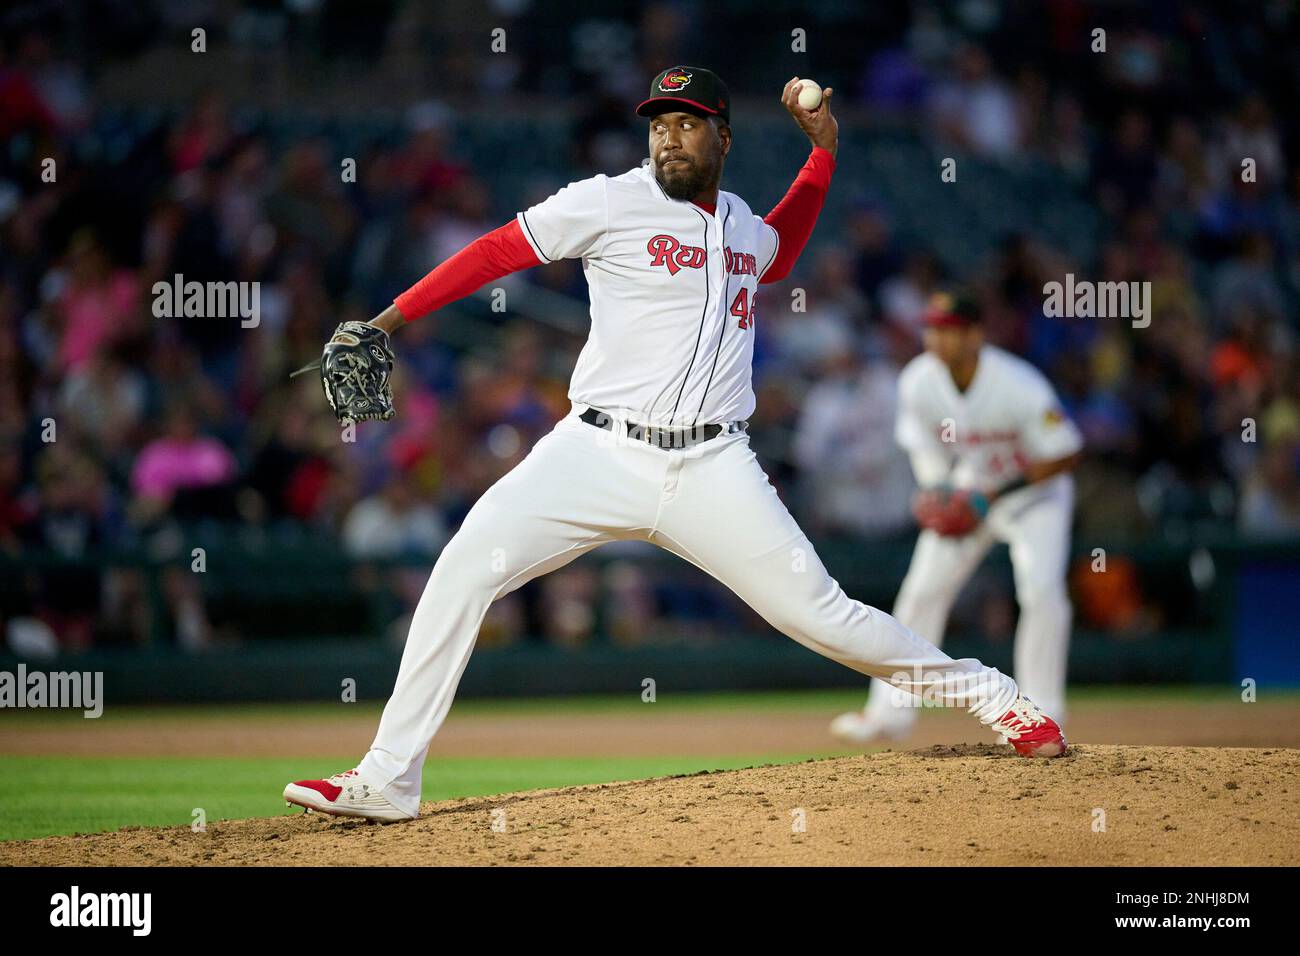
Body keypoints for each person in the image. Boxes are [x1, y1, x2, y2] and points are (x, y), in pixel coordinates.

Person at [284, 68, 1068, 823]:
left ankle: (993, 695)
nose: (669, 139)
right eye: (659, 125)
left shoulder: (739, 226)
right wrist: (389, 318)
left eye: (687, 124)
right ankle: (388, 777)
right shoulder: (607, 202)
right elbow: (497, 252)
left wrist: (822, 155)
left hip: (712, 465)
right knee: (460, 570)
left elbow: (779, 251)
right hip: (592, 453)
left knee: (822, 616)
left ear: (721, 137)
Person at [831, 292, 1082, 746]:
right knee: (921, 592)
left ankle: (1042, 711)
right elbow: (923, 447)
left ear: (974, 333)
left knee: (1042, 592)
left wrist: (993, 494)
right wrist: (938, 490)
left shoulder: (1018, 383)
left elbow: (1064, 452)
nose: (937, 337)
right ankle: (889, 713)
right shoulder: (918, 380)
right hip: (971, 491)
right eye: (932, 327)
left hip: (1033, 498)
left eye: (948, 328)